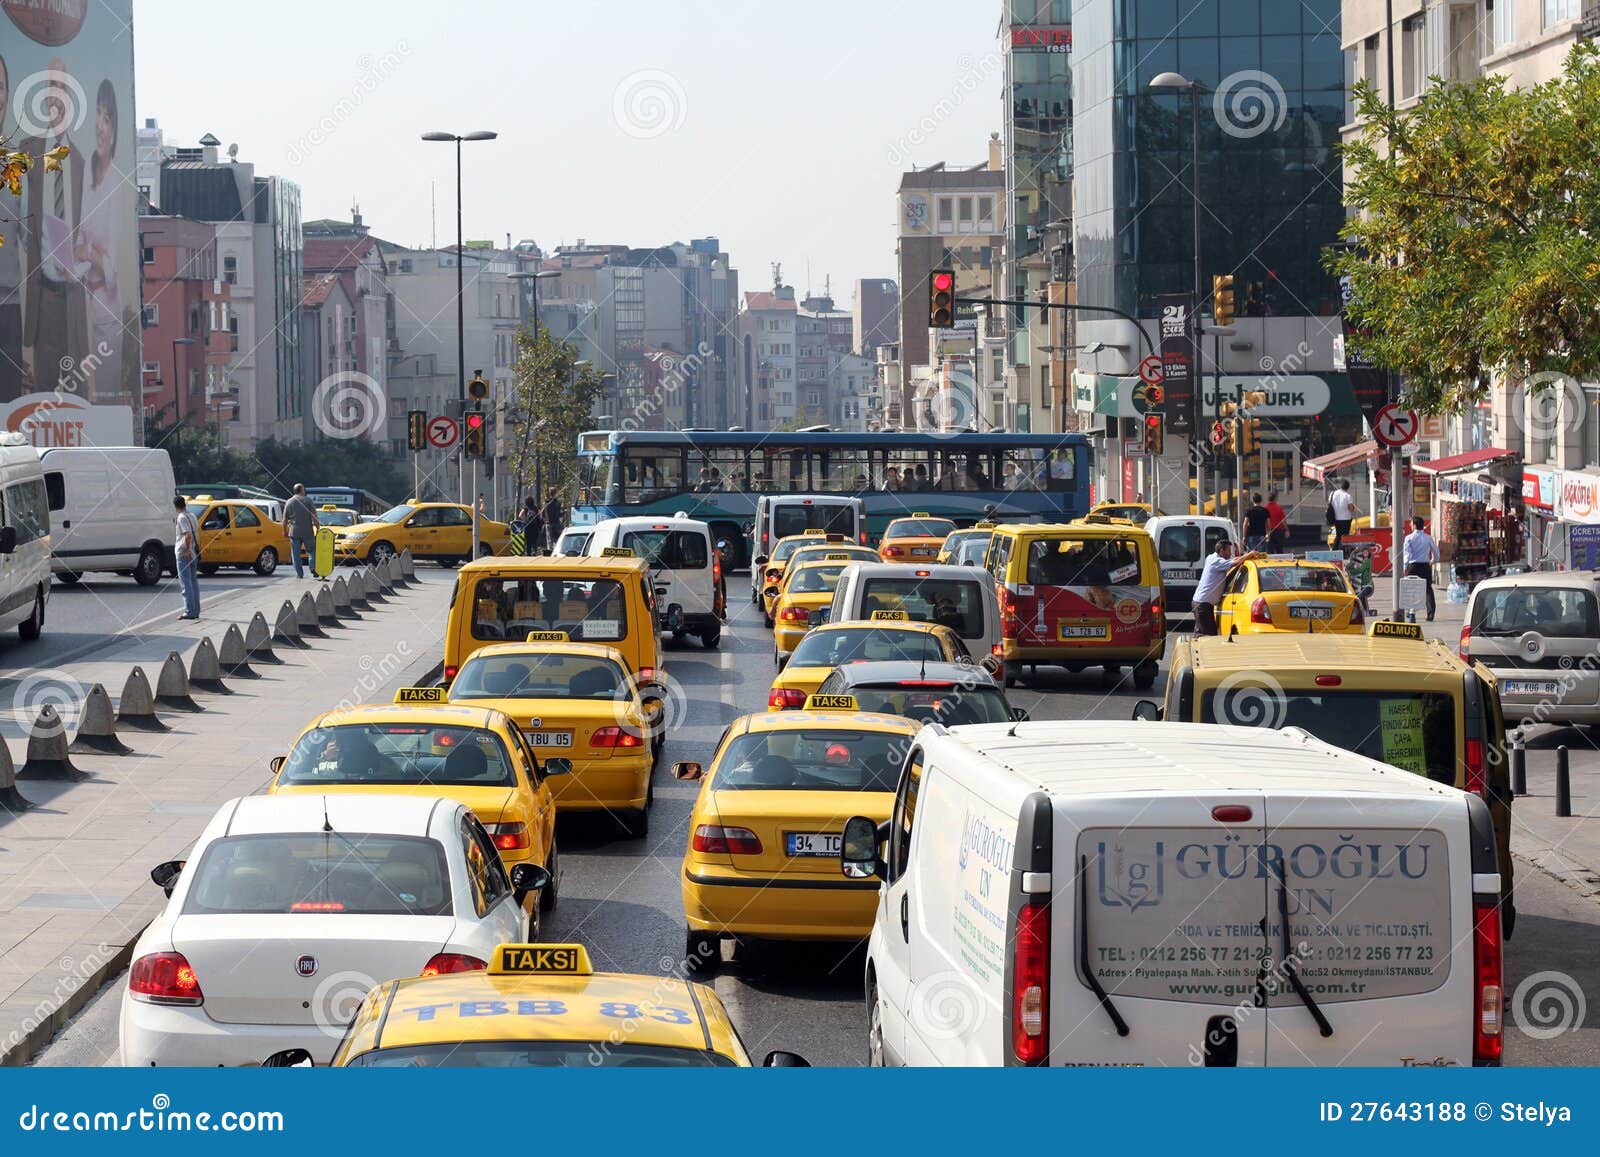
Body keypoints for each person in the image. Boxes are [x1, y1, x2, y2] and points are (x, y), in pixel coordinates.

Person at [20, 61, 89, 396]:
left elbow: (88, 233)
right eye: (50, 86)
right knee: (41, 392)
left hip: (73, 294)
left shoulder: (79, 162)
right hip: (42, 291)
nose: (56, 96)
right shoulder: (27, 151)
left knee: (75, 392)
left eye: (62, 87)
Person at [76, 80, 123, 397]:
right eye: (98, 114)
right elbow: (79, 233)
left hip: (107, 314)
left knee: (105, 398)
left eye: (108, 118)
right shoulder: (88, 169)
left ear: (116, 130)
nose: (100, 125)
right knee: (82, 401)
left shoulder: (119, 184)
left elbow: (112, 270)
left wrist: (89, 254)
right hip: (83, 307)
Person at [0, 54, 24, 401]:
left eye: (0, 86)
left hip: (8, 306)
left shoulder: (17, 163)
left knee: (7, 409)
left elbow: (33, 241)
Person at [1191, 540, 1264, 637]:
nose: (1230, 553)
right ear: (1221, 551)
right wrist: (1249, 555)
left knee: (1205, 633)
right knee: (1207, 635)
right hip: (1202, 604)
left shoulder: (1212, 557)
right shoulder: (1216, 561)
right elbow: (1236, 562)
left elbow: (1235, 559)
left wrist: (1247, 556)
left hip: (1203, 603)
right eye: (1228, 551)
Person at [1403, 516, 1440, 622]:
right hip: (1425, 566)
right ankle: (1430, 613)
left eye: (1411, 523)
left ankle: (1411, 612)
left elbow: (1407, 554)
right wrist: (1432, 561)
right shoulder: (1428, 537)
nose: (1410, 525)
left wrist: (1405, 567)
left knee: (1411, 589)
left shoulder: (1409, 538)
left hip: (1413, 566)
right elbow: (1436, 552)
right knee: (1428, 589)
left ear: (1414, 525)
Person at [281, 483, 319, 579]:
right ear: (302, 490)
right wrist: (317, 528)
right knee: (311, 551)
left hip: (294, 532)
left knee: (295, 554)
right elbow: (314, 517)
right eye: (304, 489)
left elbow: (284, 520)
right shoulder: (308, 500)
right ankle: (312, 568)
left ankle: (299, 574)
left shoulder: (289, 502)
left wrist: (284, 531)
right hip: (307, 531)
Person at [174, 496, 201, 620]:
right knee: (193, 582)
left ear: (175, 506)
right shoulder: (192, 515)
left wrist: (185, 550)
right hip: (194, 552)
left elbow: (188, 535)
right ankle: (196, 610)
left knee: (186, 583)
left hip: (185, 553)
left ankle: (190, 611)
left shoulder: (181, 517)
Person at [1329, 479, 1358, 548]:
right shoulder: (1347, 496)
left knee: (1338, 535)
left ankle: (1335, 550)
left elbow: (1329, 504)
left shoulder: (1332, 493)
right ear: (1347, 487)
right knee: (1345, 536)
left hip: (1336, 518)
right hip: (1346, 519)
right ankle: (1342, 551)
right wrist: (1353, 507)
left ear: (1340, 486)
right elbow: (1351, 508)